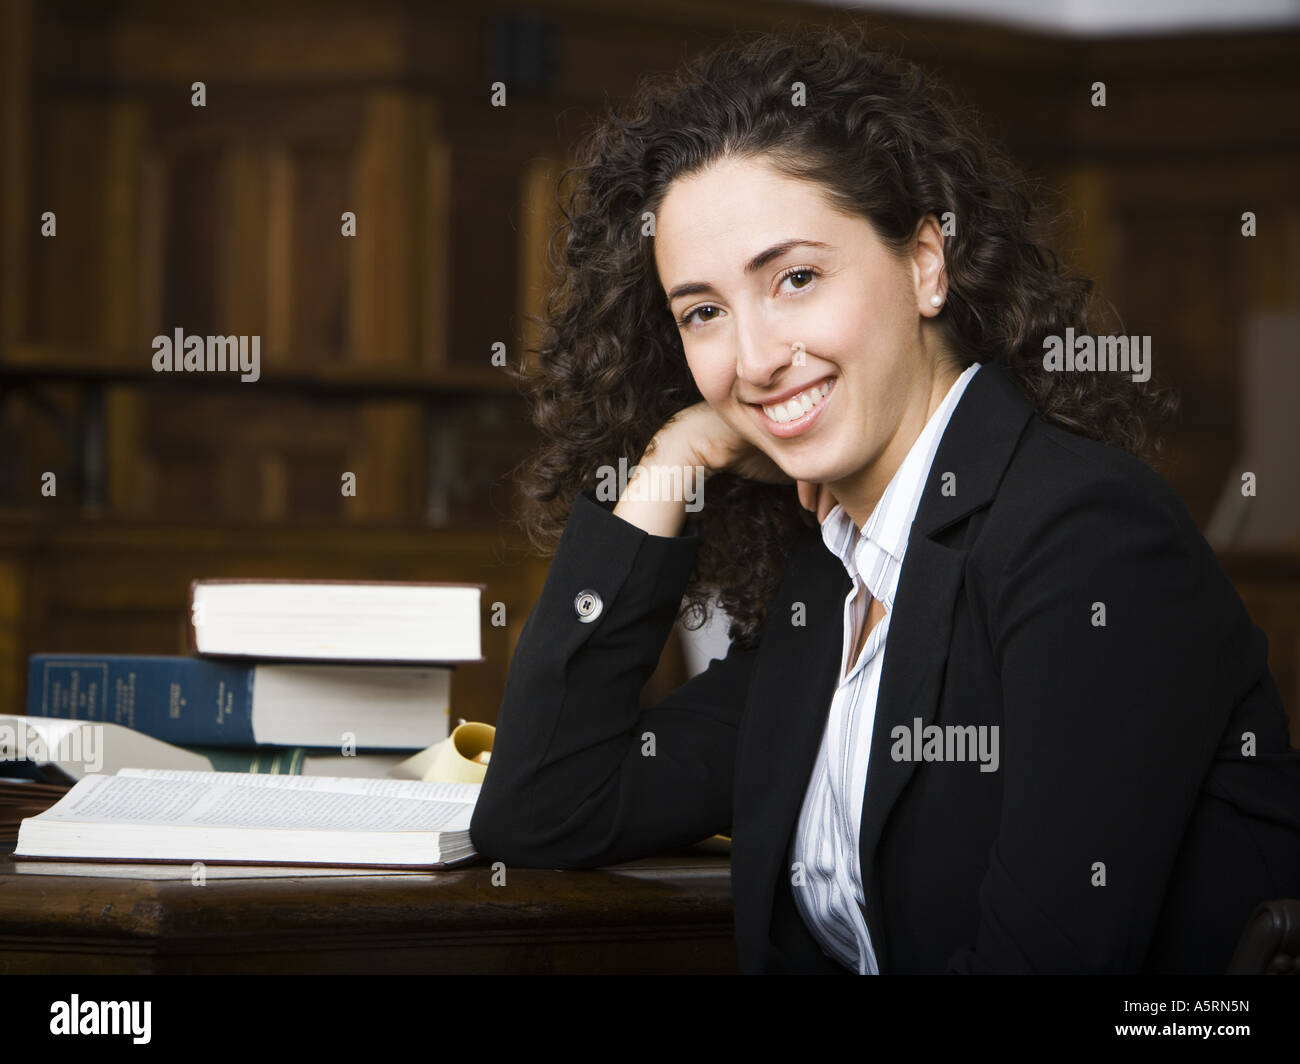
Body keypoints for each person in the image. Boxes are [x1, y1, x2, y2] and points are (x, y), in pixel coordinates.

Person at [469, 25, 1300, 974]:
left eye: (797, 278)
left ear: (925, 263)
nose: (753, 359)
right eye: (703, 311)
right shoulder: (841, 575)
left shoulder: (1084, 536)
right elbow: (545, 805)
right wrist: (671, 459)